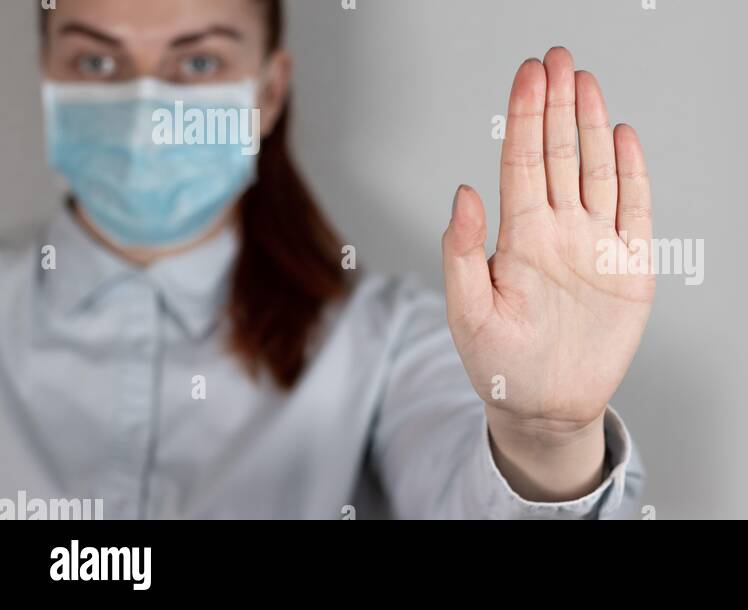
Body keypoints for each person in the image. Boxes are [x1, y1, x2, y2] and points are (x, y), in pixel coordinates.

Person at [0, 0, 653, 519]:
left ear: (269, 91)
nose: (146, 108)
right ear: (47, 73)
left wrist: (542, 436)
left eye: (197, 64)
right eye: (95, 63)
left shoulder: (387, 342)